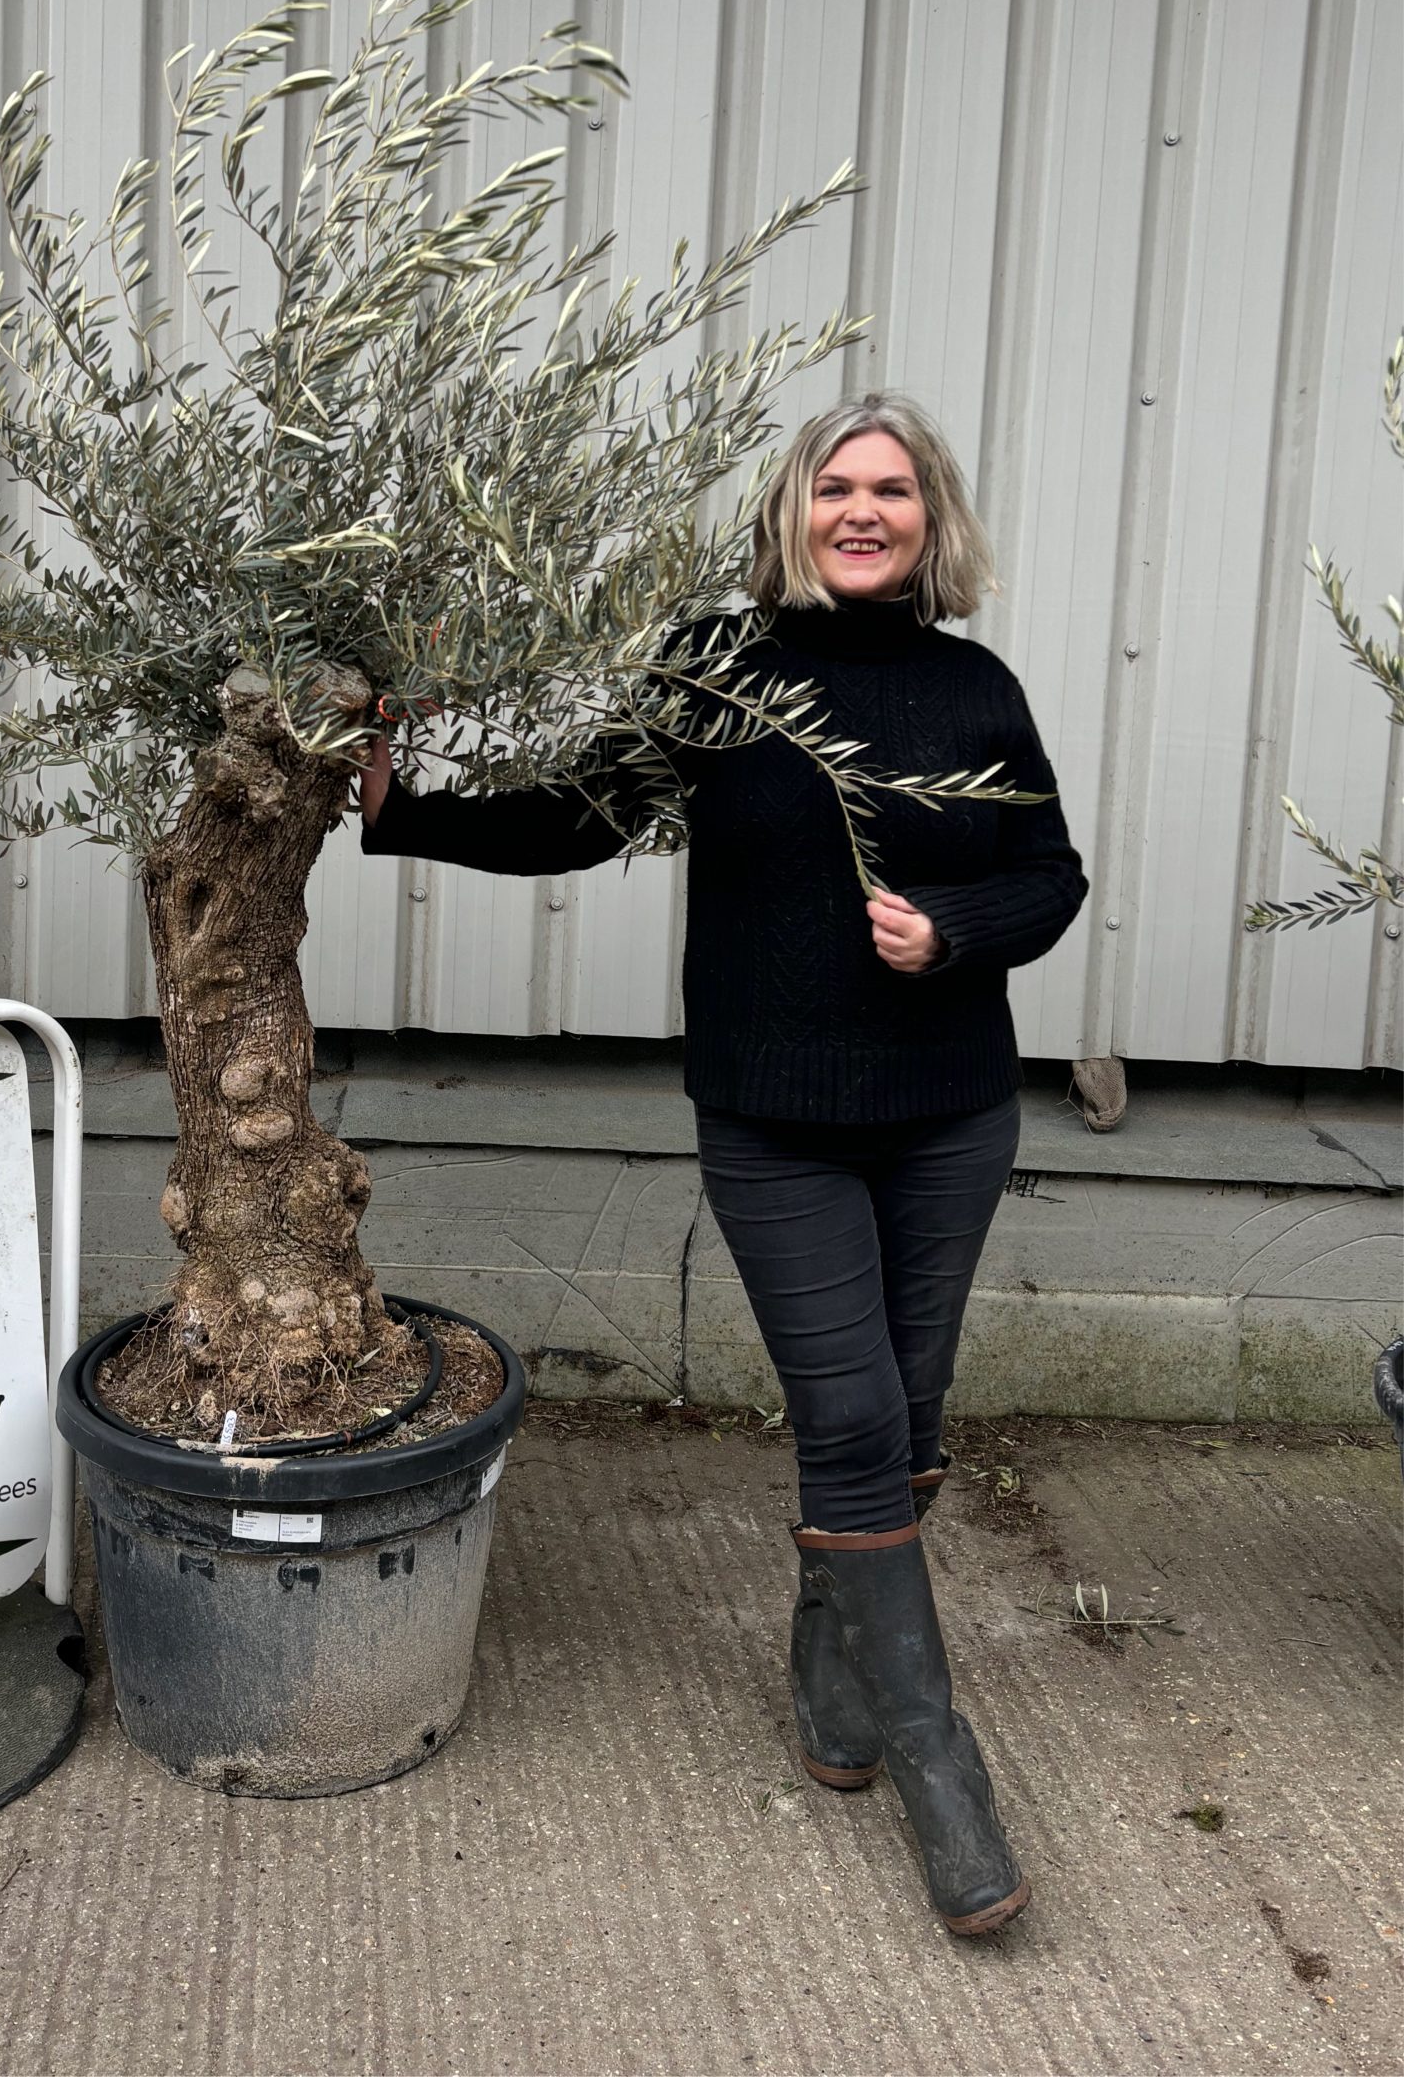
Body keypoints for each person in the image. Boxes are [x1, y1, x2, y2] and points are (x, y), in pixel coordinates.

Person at [357, 392, 1086, 1937]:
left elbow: (1050, 873)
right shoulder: (718, 670)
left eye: (893, 489)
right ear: (793, 512)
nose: (864, 510)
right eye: (837, 486)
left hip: (953, 1114)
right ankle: (940, 1766)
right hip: (774, 1120)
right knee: (851, 1417)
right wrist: (402, 812)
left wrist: (956, 930)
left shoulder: (977, 689)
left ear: (931, 519)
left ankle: (832, 1677)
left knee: (912, 1417)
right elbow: (581, 818)